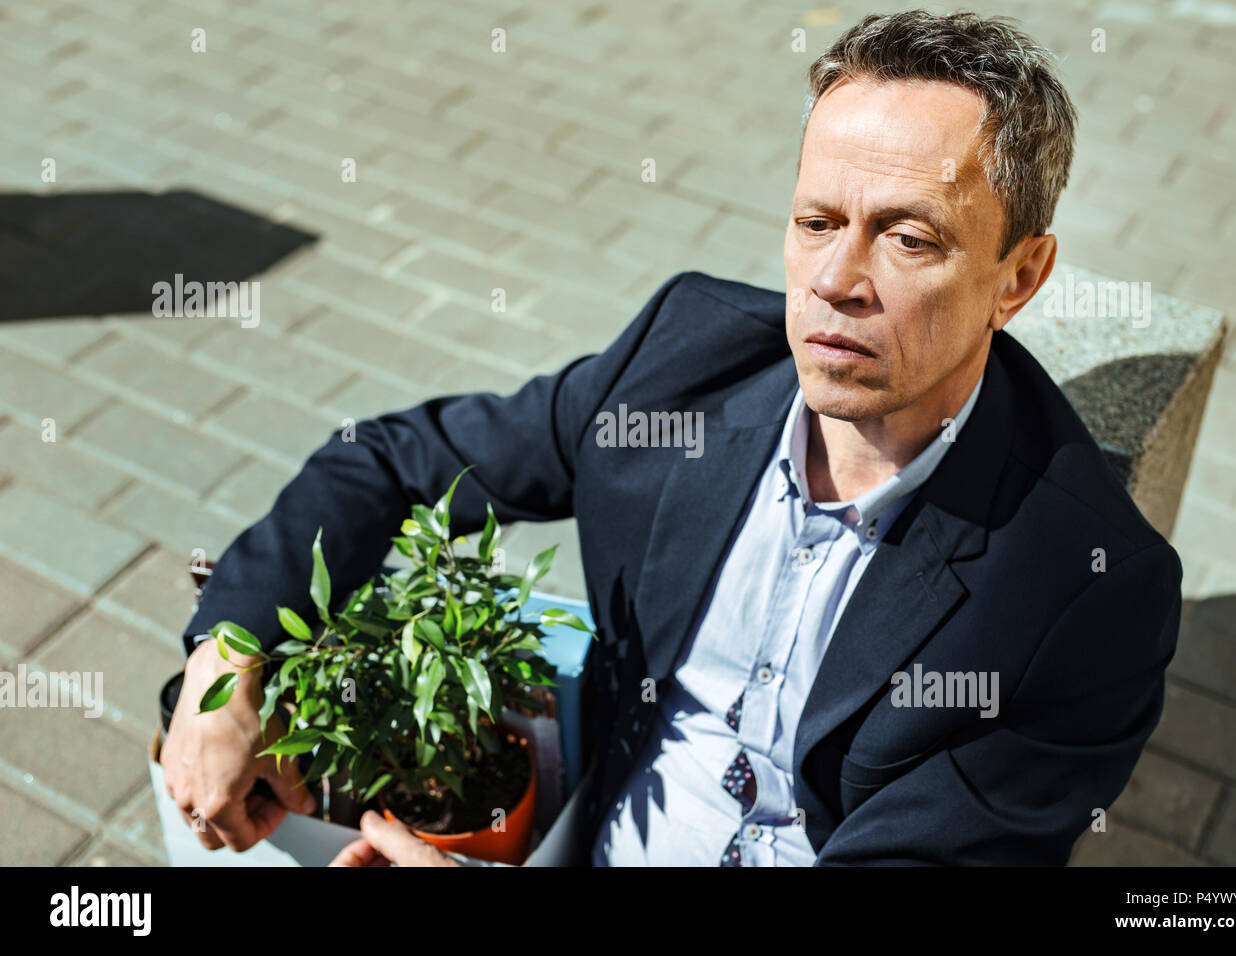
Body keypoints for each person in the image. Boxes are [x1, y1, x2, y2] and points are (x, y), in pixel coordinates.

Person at [162, 9, 1181, 866]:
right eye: (817, 220)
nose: (835, 279)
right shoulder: (684, 368)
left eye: (908, 237)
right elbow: (389, 458)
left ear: (1019, 275)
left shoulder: (1084, 591)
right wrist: (226, 658)